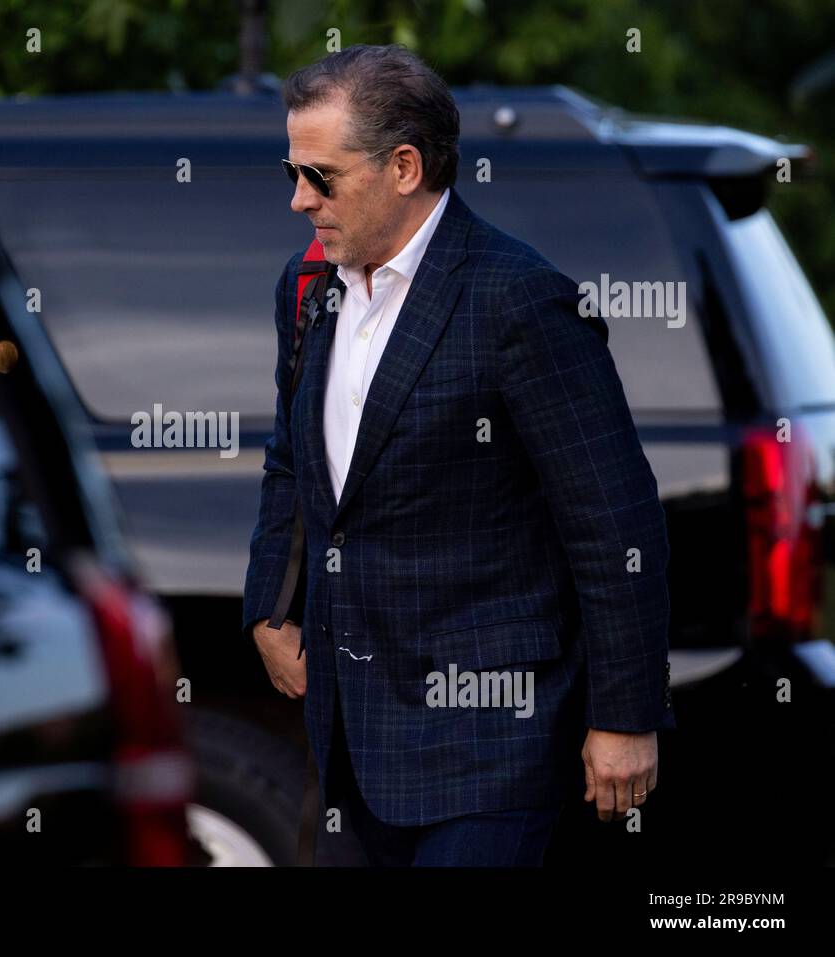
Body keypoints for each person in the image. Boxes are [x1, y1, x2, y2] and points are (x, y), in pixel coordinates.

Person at [242, 43, 674, 866]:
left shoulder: (518, 299)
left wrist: (626, 716)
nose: (299, 199)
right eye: (291, 173)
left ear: (404, 167)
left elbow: (615, 521)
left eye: (320, 176)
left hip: (492, 743)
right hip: (353, 732)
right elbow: (291, 460)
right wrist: (271, 603)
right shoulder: (307, 287)